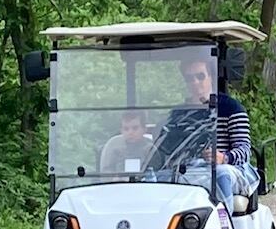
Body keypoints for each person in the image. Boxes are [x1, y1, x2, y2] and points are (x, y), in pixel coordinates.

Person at [155, 56, 259, 203]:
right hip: (189, 169)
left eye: (200, 76)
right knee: (156, 178)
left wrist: (224, 157)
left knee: (220, 176)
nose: (195, 83)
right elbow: (167, 148)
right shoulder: (178, 114)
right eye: (190, 78)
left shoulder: (231, 108)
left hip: (226, 168)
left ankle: (223, 223)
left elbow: (244, 149)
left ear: (211, 77)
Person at [98, 110, 155, 175]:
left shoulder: (151, 150)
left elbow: (159, 173)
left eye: (135, 128)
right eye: (126, 129)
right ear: (121, 130)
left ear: (144, 129)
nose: (130, 132)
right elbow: (105, 172)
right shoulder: (114, 149)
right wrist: (114, 179)